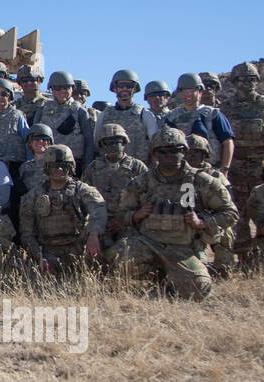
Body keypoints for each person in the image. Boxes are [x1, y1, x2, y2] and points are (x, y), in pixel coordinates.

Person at [113, 128, 237, 300]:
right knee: (120, 258)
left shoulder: (201, 180)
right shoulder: (142, 181)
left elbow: (230, 212)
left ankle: (174, 277)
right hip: (148, 244)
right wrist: (136, 215)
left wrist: (202, 222)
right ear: (155, 154)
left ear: (184, 151)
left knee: (199, 290)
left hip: (184, 248)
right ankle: (157, 278)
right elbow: (121, 213)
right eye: (164, 152)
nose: (170, 156)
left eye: (176, 151)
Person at [219, 61, 264, 244]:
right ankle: (242, 258)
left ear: (257, 81)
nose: (246, 83)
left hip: (263, 170)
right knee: (237, 216)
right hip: (235, 171)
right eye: (241, 79)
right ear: (234, 82)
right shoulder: (224, 109)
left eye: (251, 79)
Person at [18, 145, 106, 276]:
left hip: (78, 250)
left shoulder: (82, 190)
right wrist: (40, 257)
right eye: (54, 165)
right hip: (48, 252)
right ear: (47, 167)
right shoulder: (34, 196)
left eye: (63, 165)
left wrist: (93, 235)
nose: (59, 169)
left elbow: (98, 209)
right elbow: (27, 233)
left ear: (71, 167)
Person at [81, 123, 148, 255]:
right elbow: (83, 199)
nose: (112, 145)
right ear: (101, 146)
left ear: (124, 143)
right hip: (100, 223)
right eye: (107, 142)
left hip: (130, 223)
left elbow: (148, 198)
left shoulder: (137, 167)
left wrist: (127, 219)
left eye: (116, 141)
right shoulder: (93, 169)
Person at [184, 134, 235, 277]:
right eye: (188, 152)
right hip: (188, 224)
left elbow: (229, 210)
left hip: (211, 222)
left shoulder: (216, 177)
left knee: (226, 232)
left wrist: (205, 222)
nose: (191, 156)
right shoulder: (179, 176)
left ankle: (223, 268)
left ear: (205, 154)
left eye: (196, 152)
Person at [163, 72, 235, 171]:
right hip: (181, 171)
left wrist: (225, 169)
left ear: (200, 91)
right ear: (179, 93)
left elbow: (227, 142)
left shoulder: (213, 114)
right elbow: (165, 145)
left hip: (210, 169)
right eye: (184, 91)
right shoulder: (172, 117)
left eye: (192, 90)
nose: (188, 94)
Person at [31, 70, 94, 171]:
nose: (61, 91)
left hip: (74, 163)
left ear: (72, 88)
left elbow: (89, 141)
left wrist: (88, 166)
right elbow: (33, 138)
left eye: (65, 87)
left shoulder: (79, 111)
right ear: (51, 89)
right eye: (57, 88)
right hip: (47, 163)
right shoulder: (43, 109)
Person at [97, 69, 159, 164]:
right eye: (121, 86)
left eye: (129, 86)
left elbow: (155, 144)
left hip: (139, 171)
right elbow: (97, 143)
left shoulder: (144, 114)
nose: (125, 89)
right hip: (109, 171)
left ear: (134, 89)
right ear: (115, 89)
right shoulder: (104, 115)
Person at [0, 78, 30, 171]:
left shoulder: (18, 115)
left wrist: (29, 163)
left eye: (4, 94)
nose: (0, 97)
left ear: (10, 96)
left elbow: (27, 141)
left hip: (15, 164)